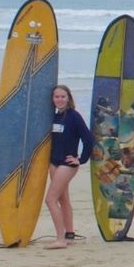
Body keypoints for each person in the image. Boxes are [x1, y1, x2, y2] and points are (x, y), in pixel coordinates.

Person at [44, 85, 95, 249]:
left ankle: (60, 239)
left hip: (67, 164)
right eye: (56, 97)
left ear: (69, 98)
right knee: (63, 199)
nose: (59, 100)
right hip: (54, 162)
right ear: (52, 99)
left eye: (62, 97)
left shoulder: (74, 117)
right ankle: (70, 235)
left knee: (50, 199)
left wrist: (81, 159)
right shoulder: (54, 117)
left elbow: (88, 140)